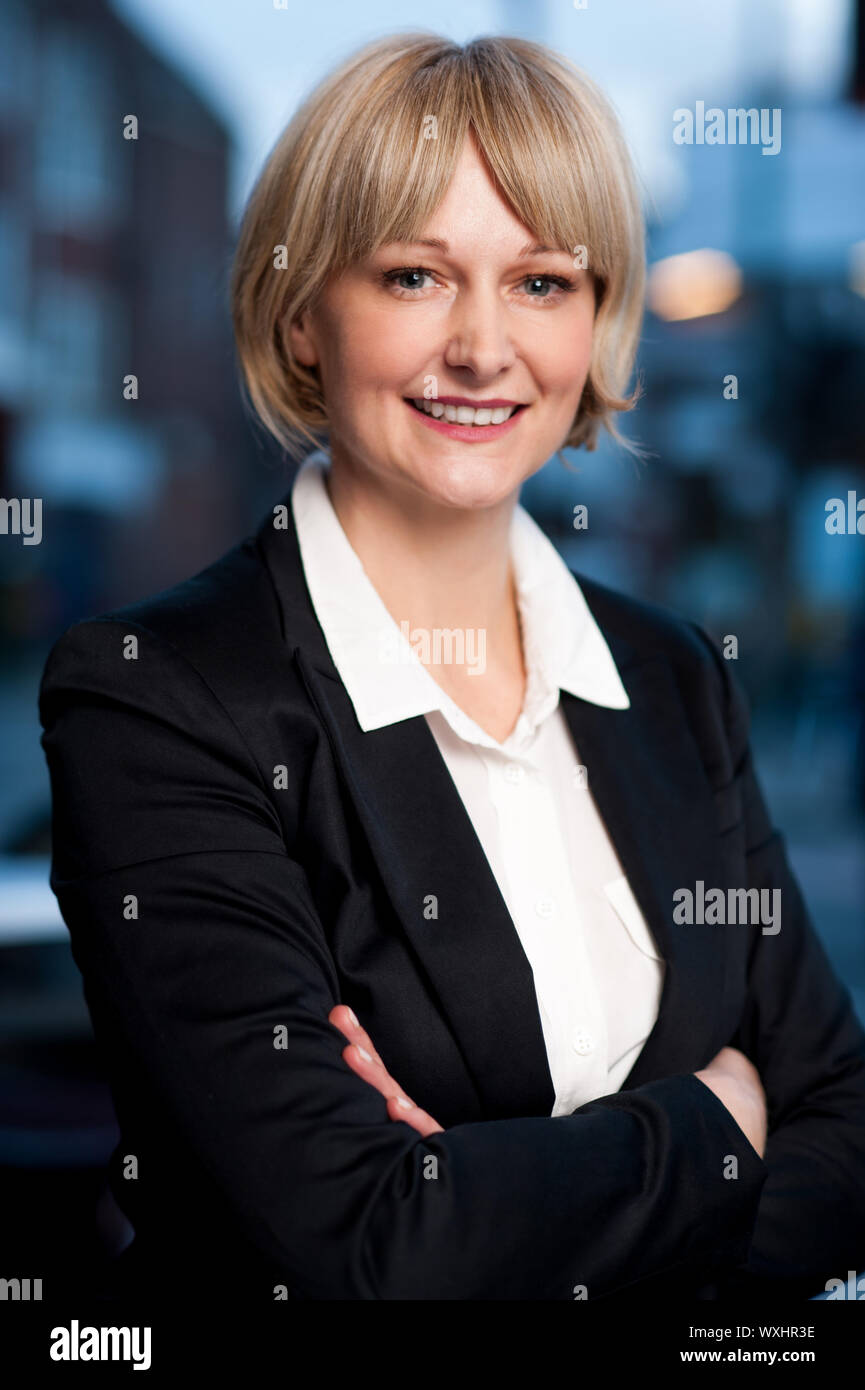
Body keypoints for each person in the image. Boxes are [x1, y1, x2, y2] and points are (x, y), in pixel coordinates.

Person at [39, 32, 865, 1303]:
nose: (483, 349)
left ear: (595, 324)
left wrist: (499, 1191)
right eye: (416, 275)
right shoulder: (156, 694)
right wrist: (718, 1119)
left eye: (542, 283)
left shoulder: (671, 676)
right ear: (307, 315)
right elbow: (363, 1249)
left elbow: (845, 1136)